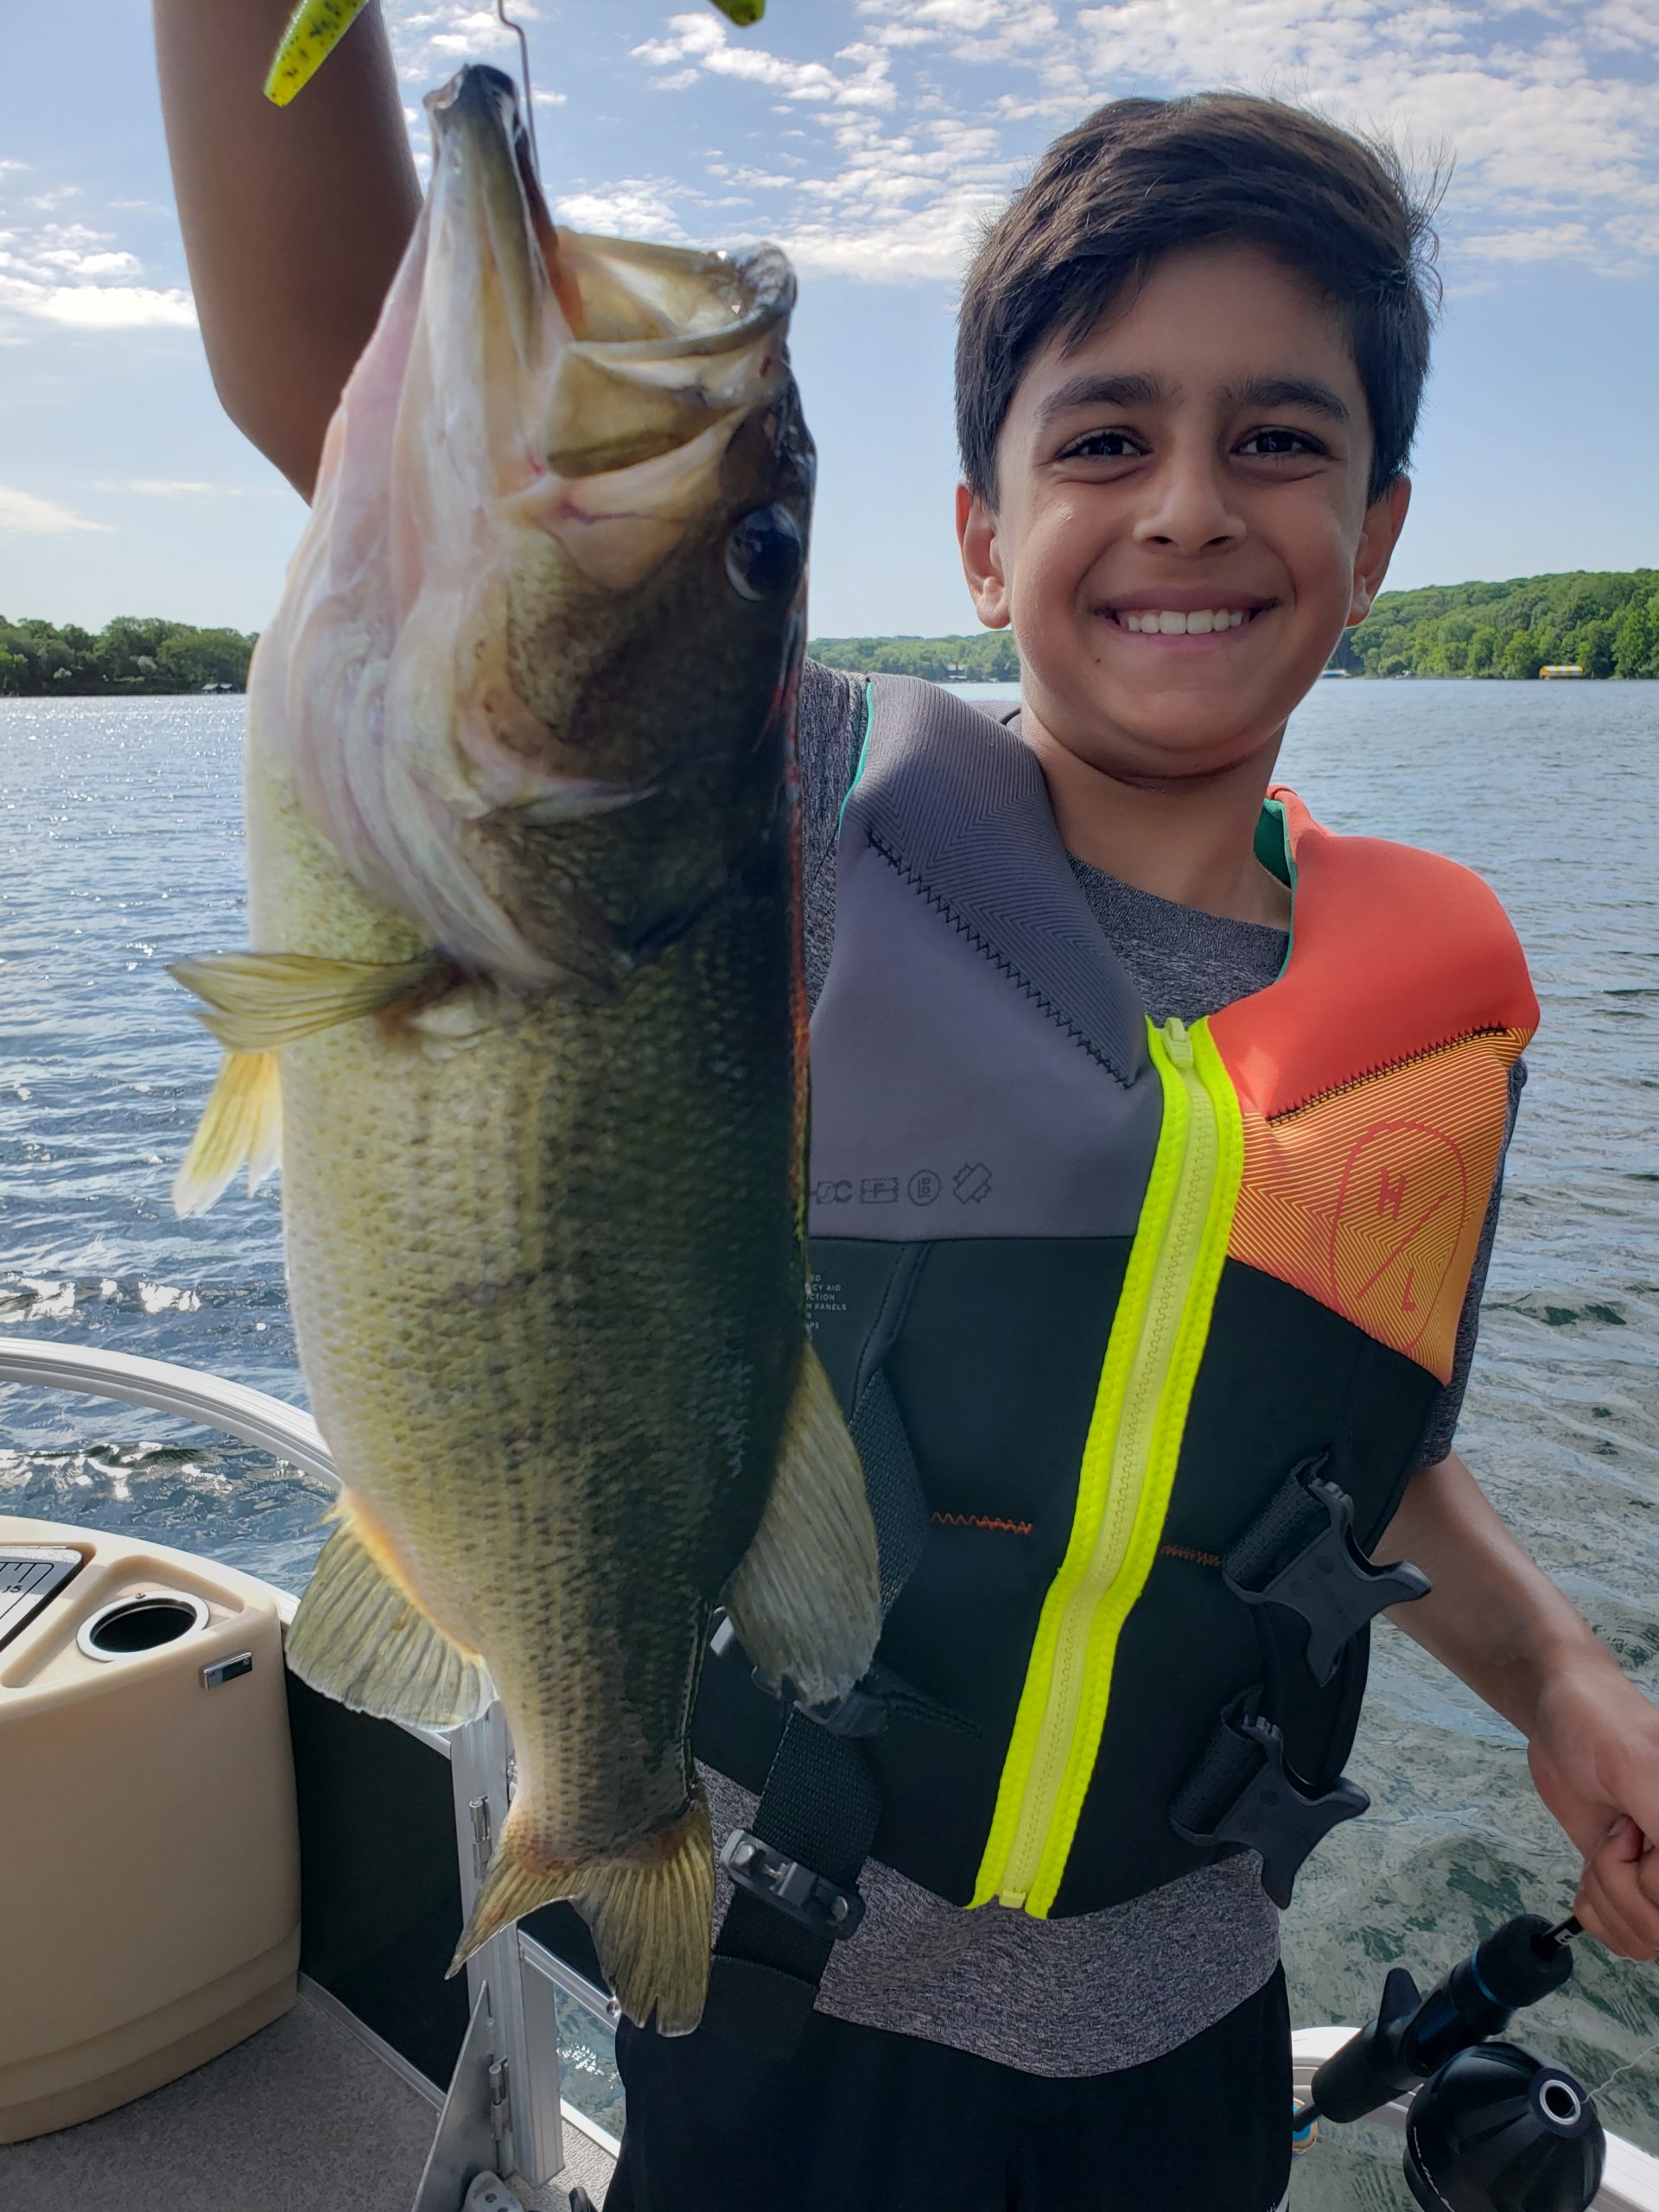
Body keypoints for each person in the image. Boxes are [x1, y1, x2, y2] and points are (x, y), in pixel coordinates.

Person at [154, 10, 1659, 2208]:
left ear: (1382, 521)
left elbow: (1355, 1455)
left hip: (1192, 2042)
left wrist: (1559, 1678)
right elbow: (337, 378)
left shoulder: (1426, 1015)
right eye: (1105, 436)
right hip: (792, 2008)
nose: (1186, 506)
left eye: (1277, 438)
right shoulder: (786, 806)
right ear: (978, 531)